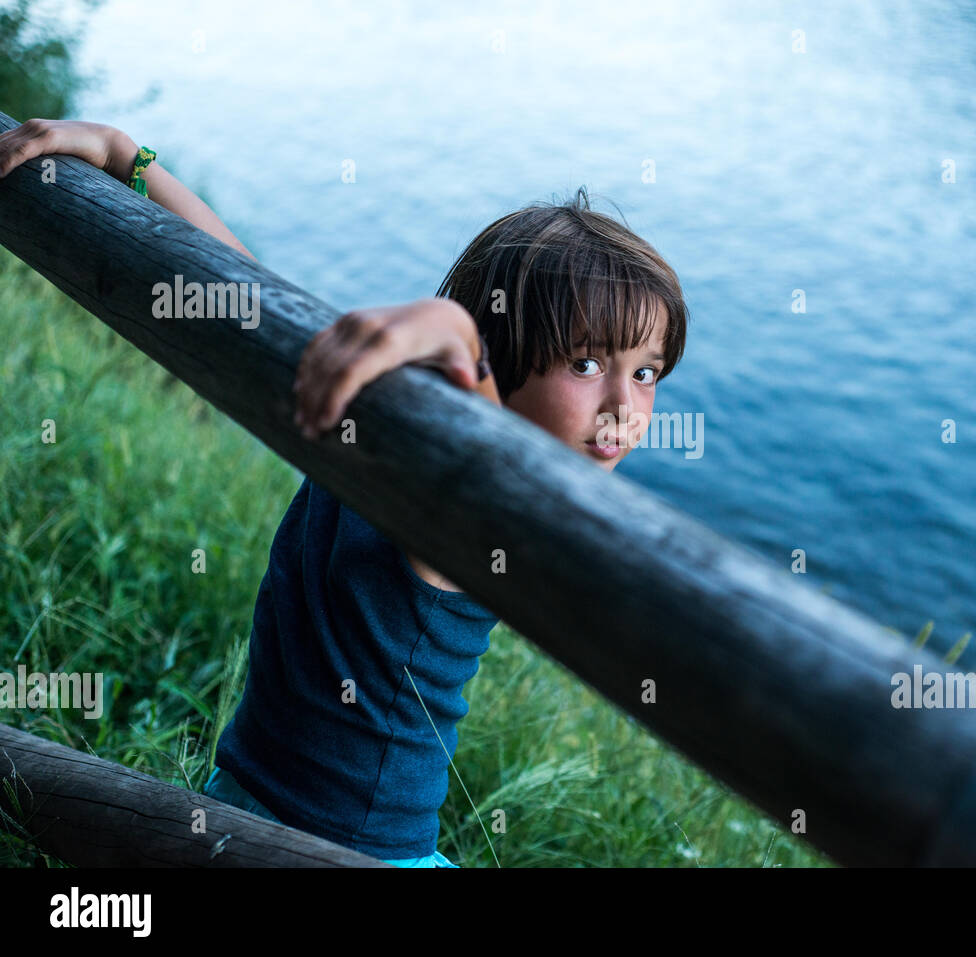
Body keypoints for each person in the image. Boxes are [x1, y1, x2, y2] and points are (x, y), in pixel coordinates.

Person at [0, 118, 690, 866]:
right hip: (355, 855)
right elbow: (241, 289)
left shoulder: (365, 426)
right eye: (587, 364)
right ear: (494, 357)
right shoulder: (474, 503)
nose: (625, 404)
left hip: (240, 800)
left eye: (646, 372)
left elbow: (236, 292)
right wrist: (123, 157)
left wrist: (128, 157)